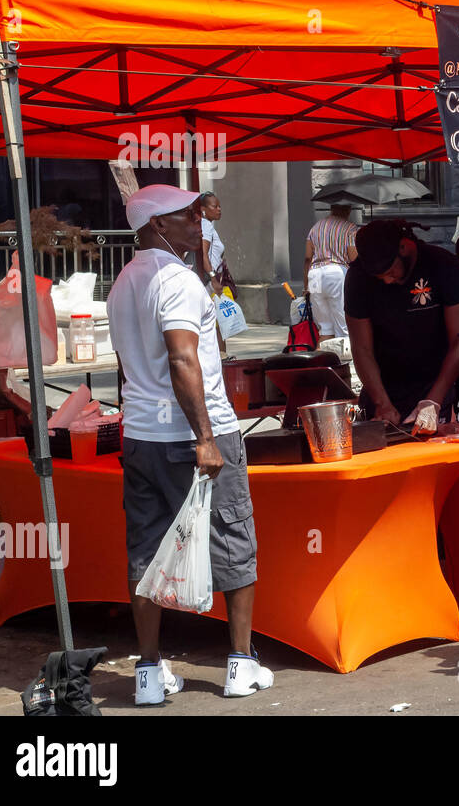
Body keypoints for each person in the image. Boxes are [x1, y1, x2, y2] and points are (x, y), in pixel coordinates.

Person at [106, 185, 273, 705]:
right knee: (232, 540)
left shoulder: (124, 281)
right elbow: (183, 359)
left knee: (147, 550)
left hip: (143, 436)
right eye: (187, 215)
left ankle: (150, 673)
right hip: (192, 433)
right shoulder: (175, 281)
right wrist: (205, 437)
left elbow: (132, 364)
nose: (197, 222)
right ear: (159, 226)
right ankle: (241, 663)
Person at [344, 219, 459, 434]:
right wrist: (381, 402)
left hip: (436, 381)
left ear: (405, 247)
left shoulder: (443, 265)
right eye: (378, 277)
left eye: (390, 271)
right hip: (382, 388)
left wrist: (433, 401)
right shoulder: (358, 277)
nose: (386, 281)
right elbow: (362, 348)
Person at [304, 202, 359, 339]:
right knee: (344, 326)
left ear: (331, 209)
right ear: (348, 210)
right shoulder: (350, 228)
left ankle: (321, 359)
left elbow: (307, 257)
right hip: (336, 273)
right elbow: (354, 259)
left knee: (325, 328)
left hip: (314, 275)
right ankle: (344, 359)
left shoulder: (315, 228)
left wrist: (306, 285)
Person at [198, 192, 231, 356]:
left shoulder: (207, 225)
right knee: (217, 321)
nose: (219, 209)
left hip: (212, 279)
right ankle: (221, 357)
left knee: (219, 321)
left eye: (219, 206)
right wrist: (212, 277)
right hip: (210, 282)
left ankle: (221, 356)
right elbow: (203, 254)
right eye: (214, 206)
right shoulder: (206, 226)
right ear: (203, 209)